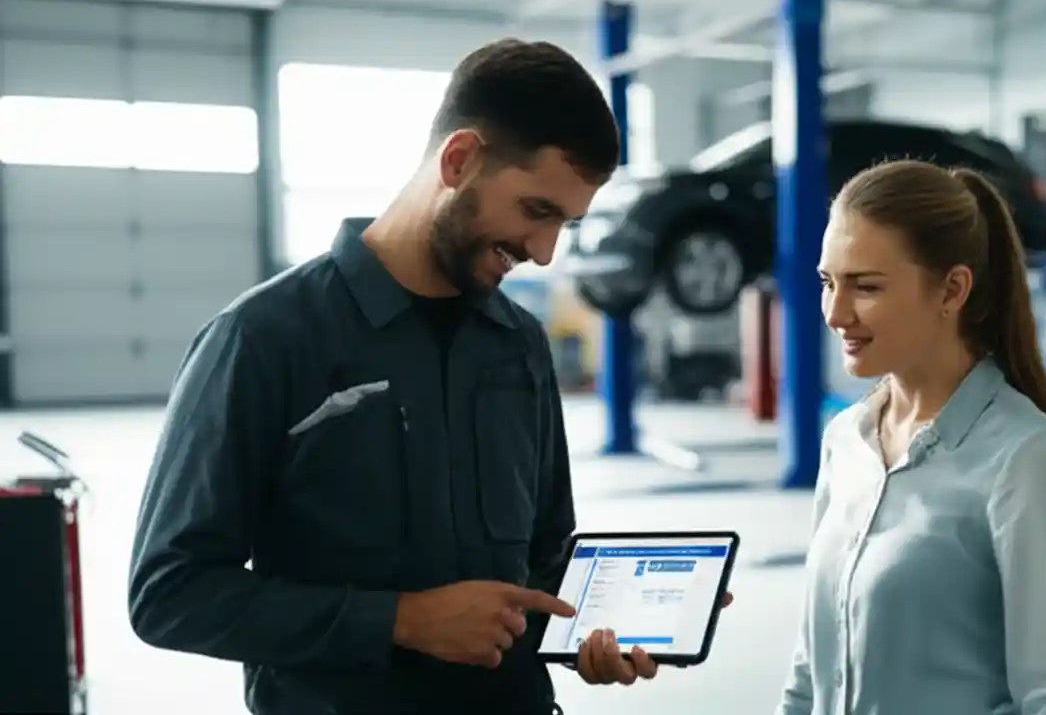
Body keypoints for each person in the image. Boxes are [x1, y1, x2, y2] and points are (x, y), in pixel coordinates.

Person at [128, 38, 678, 715]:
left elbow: (540, 562)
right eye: (536, 211)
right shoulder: (265, 338)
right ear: (459, 159)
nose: (543, 252)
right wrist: (400, 620)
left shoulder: (519, 345)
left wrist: (591, 630)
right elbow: (169, 593)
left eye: (565, 223)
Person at [778, 159, 1046, 714]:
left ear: (952, 289)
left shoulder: (1029, 461)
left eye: (865, 286)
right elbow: (808, 679)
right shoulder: (846, 441)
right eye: (828, 282)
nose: (836, 313)